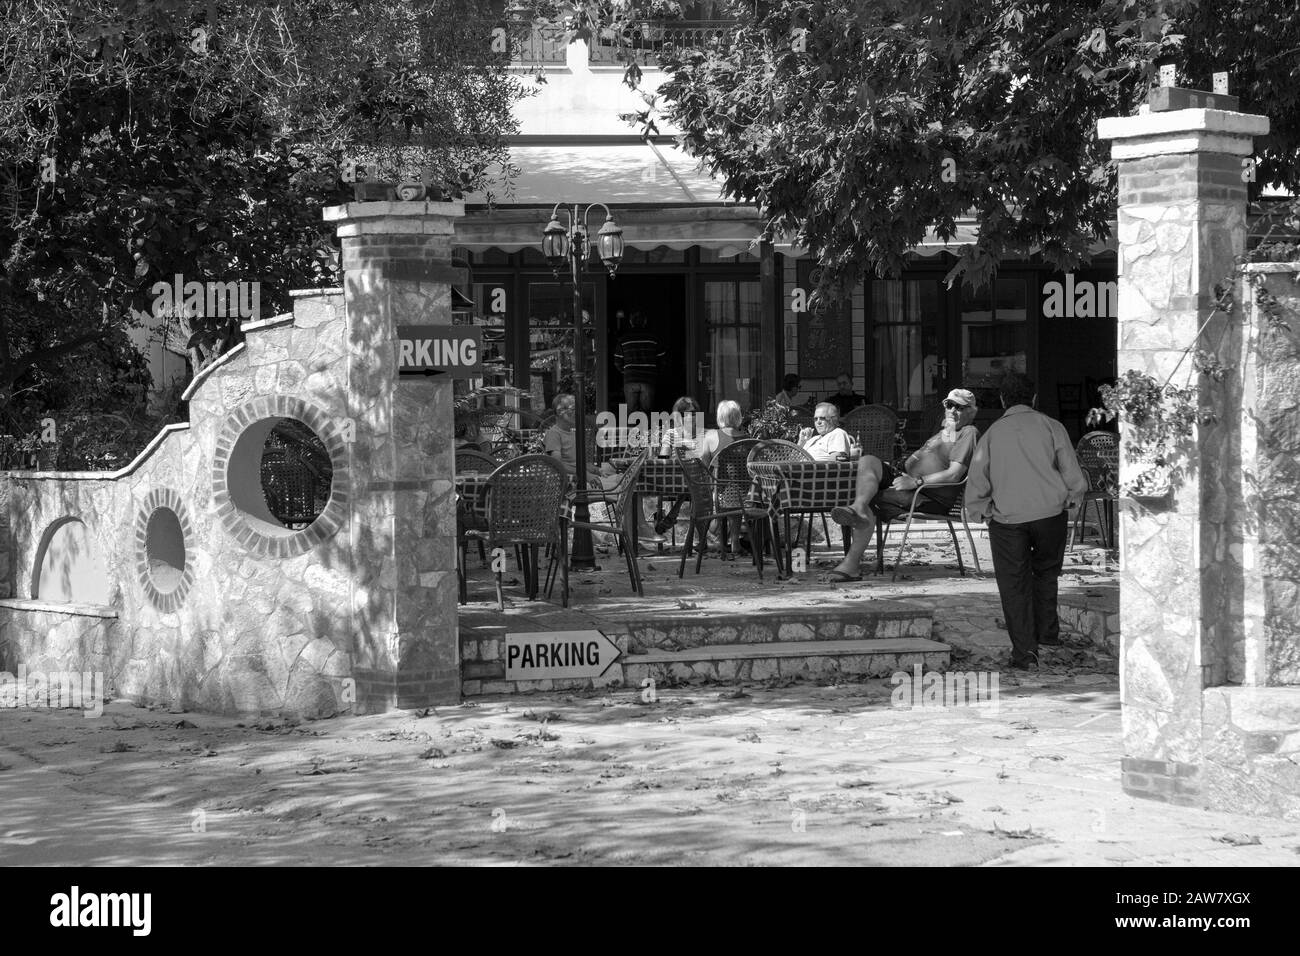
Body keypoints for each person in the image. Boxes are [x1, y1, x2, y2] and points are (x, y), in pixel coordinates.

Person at [965, 372, 1088, 670]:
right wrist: (1074, 496)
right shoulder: (1052, 426)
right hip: (1050, 514)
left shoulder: (993, 432)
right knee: (1046, 573)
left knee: (1013, 584)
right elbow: (1072, 472)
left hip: (1007, 519)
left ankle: (1025, 653)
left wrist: (978, 510)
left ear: (1004, 400)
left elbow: (978, 477)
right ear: (1033, 398)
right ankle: (1048, 635)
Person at [824, 389, 980, 582]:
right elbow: (940, 451)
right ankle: (858, 507)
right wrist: (946, 430)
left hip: (927, 495)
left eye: (960, 407)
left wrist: (916, 481)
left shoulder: (969, 432)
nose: (953, 411)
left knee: (870, 498)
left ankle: (851, 564)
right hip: (908, 481)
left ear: (971, 412)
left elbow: (953, 473)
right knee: (868, 461)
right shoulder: (949, 432)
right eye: (949, 405)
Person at [653, 396, 705, 535]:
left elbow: (705, 462)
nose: (690, 417)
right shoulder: (671, 434)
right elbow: (663, 459)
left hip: (698, 481)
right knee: (691, 483)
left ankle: (672, 515)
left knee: (694, 482)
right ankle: (701, 540)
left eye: (693, 414)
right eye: (685, 414)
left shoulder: (703, 434)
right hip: (677, 480)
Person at [614, 311, 664, 416]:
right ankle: (646, 432)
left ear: (630, 322)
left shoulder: (623, 339)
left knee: (631, 414)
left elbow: (617, 362)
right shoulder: (653, 338)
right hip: (648, 379)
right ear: (645, 321)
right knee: (647, 414)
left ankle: (633, 432)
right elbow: (662, 360)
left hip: (630, 379)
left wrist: (627, 372)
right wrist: (654, 372)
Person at [698, 400, 747, 468]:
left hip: (718, 478)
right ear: (738, 417)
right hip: (744, 478)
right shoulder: (748, 439)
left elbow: (704, 466)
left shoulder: (710, 437)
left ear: (720, 417)